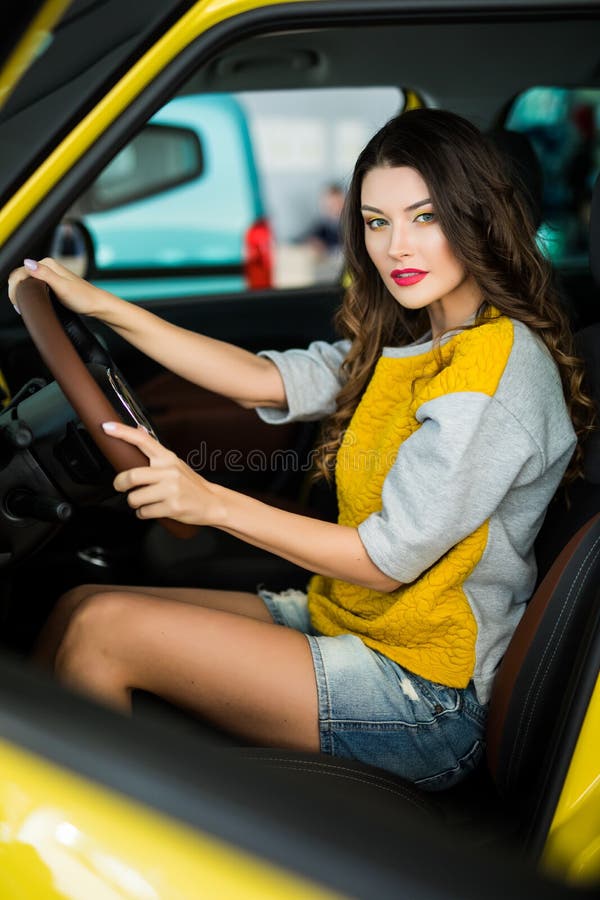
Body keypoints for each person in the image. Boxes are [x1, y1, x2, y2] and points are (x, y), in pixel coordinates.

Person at [8, 109, 595, 791]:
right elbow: (262, 377)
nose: (396, 246)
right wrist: (100, 305)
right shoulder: (416, 342)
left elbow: (382, 562)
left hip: (426, 694)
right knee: (80, 605)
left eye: (424, 217)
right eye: (378, 222)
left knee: (103, 633)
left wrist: (210, 503)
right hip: (354, 623)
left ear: (477, 219)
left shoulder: (494, 370)